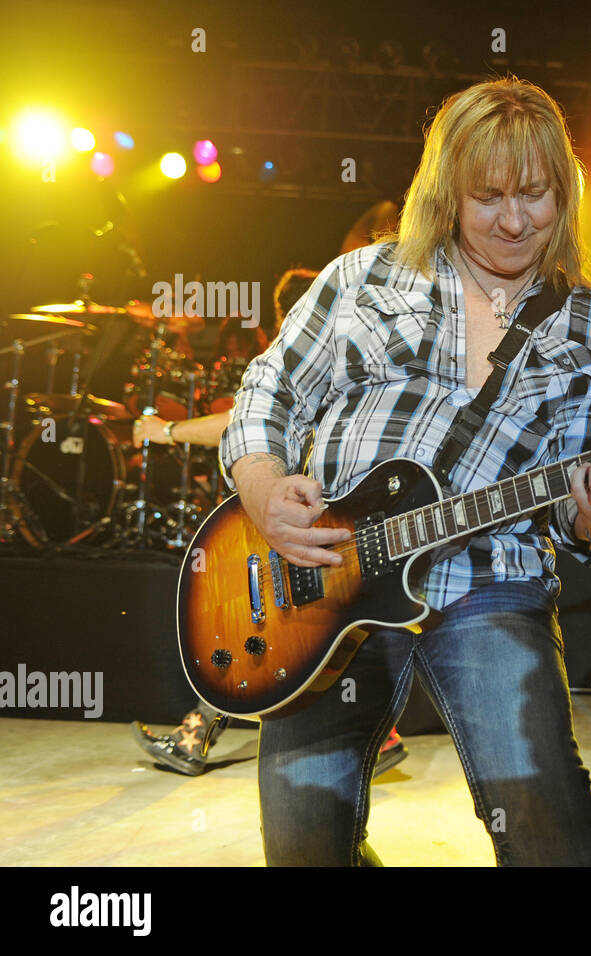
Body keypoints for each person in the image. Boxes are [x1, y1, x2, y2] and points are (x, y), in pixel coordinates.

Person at [219, 77, 591, 866]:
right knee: (305, 846)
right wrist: (263, 488)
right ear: (446, 192)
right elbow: (267, 391)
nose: (515, 220)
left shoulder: (589, 323)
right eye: (488, 196)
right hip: (324, 587)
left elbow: (577, 514)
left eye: (536, 195)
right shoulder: (364, 278)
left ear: (567, 194)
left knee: (552, 833)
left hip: (491, 585)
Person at [130, 269, 410, 777]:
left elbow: (237, 420)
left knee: (258, 622)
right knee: (293, 630)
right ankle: (381, 737)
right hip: (342, 522)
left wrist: (166, 430)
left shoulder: (317, 358)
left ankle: (196, 736)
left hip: (318, 524)